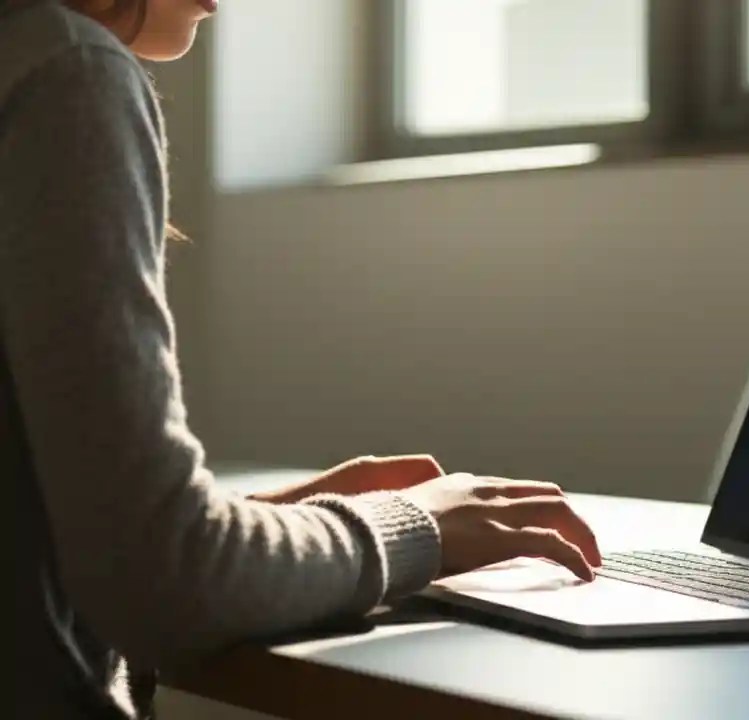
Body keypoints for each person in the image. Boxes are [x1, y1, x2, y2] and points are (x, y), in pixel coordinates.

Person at [1, 2, 602, 717]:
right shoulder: (63, 70)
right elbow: (163, 584)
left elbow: (86, 555)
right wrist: (414, 526)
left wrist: (254, 526)